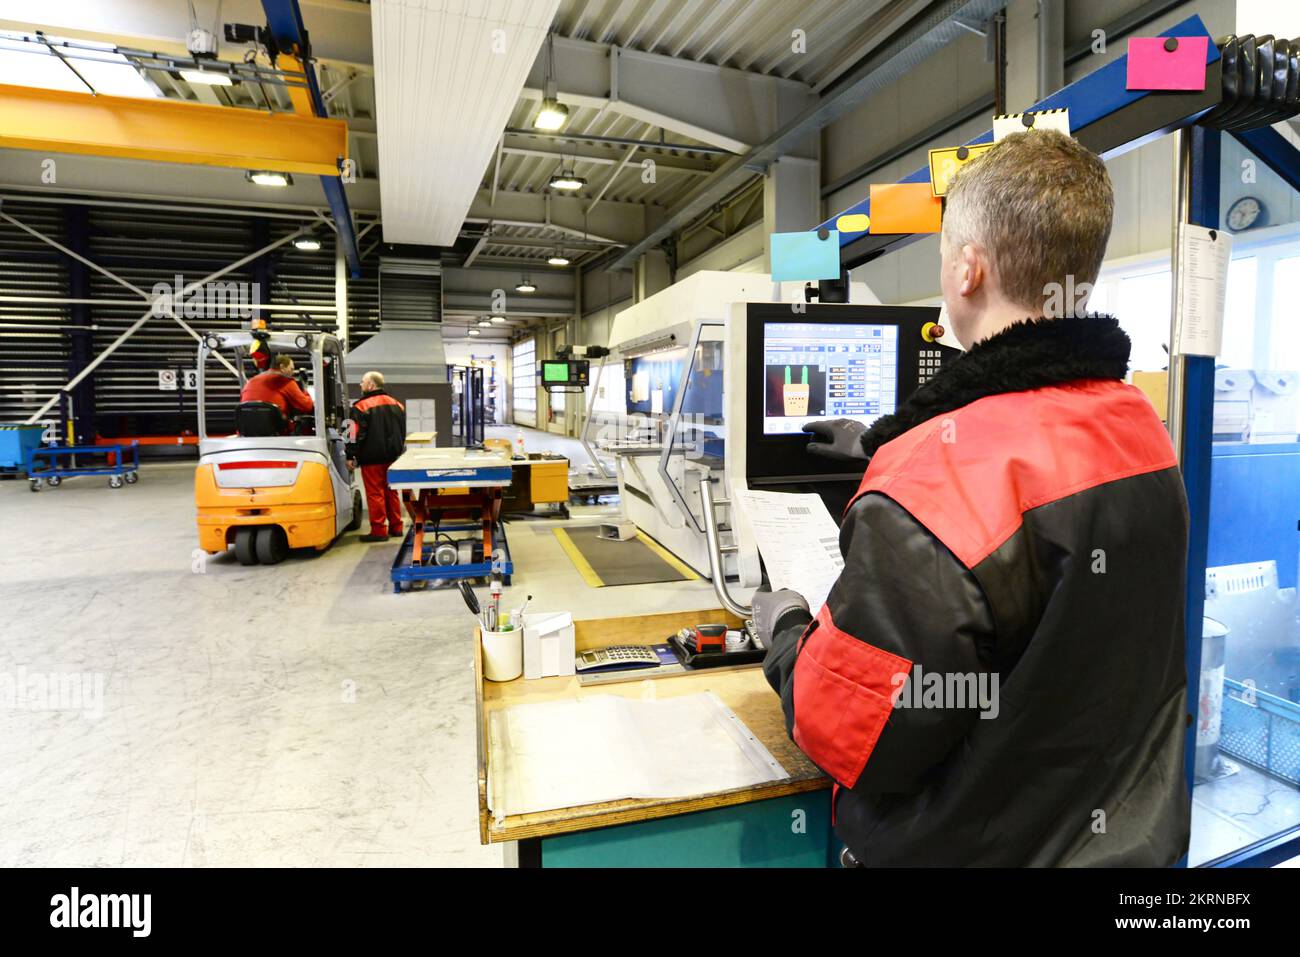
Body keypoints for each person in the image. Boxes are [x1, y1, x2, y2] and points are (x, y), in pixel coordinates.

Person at [755, 130, 1190, 867]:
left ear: (967, 269)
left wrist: (788, 631)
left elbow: (857, 732)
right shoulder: (1142, 431)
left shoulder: (930, 488)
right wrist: (885, 445)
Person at [348, 371, 406, 543]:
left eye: (362, 382)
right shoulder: (397, 404)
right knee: (392, 492)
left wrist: (350, 454)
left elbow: (352, 433)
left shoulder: (359, 407)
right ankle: (397, 527)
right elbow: (402, 432)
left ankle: (379, 531)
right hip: (393, 457)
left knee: (375, 494)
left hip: (371, 459)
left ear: (371, 385)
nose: (360, 385)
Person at [240, 353, 314, 423]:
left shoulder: (251, 380)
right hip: (274, 430)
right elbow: (307, 406)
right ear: (282, 367)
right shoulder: (286, 381)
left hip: (246, 430)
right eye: (291, 369)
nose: (293, 373)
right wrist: (305, 389)